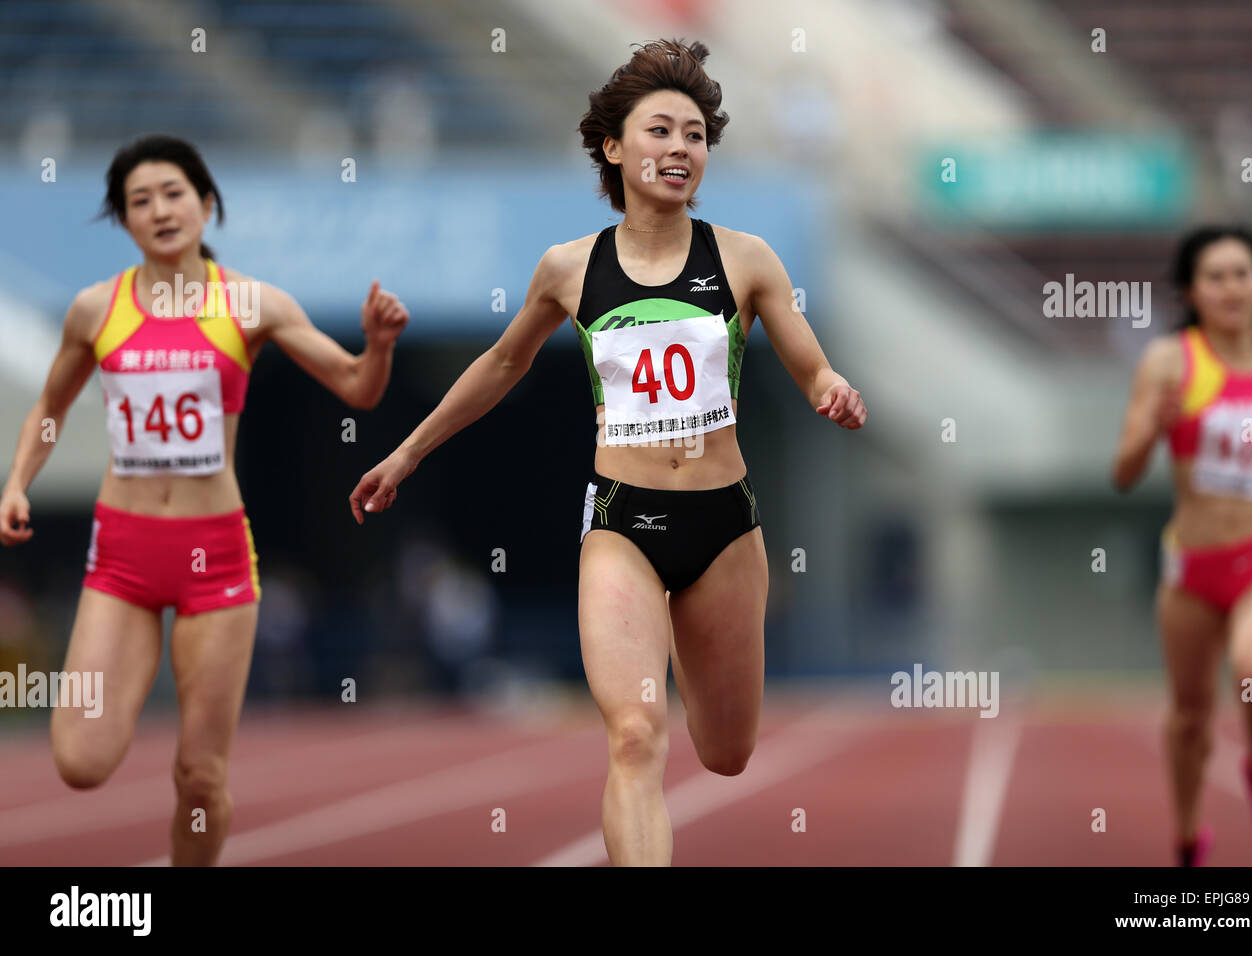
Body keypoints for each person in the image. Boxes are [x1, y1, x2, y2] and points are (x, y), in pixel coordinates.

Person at [349, 40, 865, 866]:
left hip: (723, 527)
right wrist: (407, 453)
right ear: (614, 148)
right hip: (622, 523)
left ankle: (695, 659)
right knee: (633, 736)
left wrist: (831, 388)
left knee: (726, 751)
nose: (679, 149)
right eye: (659, 131)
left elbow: (809, 363)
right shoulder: (568, 268)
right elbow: (501, 365)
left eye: (695, 135)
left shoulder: (744, 259)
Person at [0, 134, 409, 865]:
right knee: (82, 761)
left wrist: (377, 346)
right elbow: (50, 408)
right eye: (139, 201)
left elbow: (356, 387)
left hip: (214, 557)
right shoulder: (95, 310)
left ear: (207, 203)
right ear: (123, 221)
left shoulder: (251, 304)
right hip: (122, 555)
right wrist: (17, 481)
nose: (159, 210)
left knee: (199, 773)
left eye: (174, 193)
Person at [1112, 224, 1252, 866]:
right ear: (1192, 290)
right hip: (1192, 568)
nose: (1231, 288)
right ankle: (1189, 837)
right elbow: (1124, 472)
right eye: (1215, 277)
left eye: (1242, 273)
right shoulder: (1170, 362)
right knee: (1189, 719)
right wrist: (1154, 432)